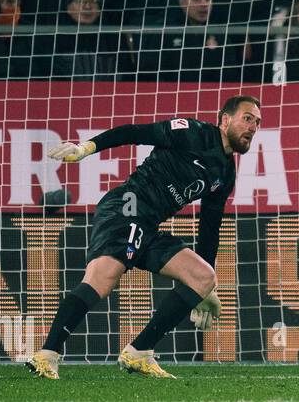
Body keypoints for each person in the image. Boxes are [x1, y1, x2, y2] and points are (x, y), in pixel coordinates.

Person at [27, 95, 263, 379]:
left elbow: (210, 228)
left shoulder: (225, 174)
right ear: (225, 120)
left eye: (257, 123)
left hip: (148, 225)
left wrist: (208, 289)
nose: (252, 127)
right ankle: (47, 354)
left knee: (202, 276)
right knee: (102, 277)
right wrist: (86, 147)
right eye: (247, 118)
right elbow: (134, 132)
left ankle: (139, 352)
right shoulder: (192, 131)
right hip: (126, 207)